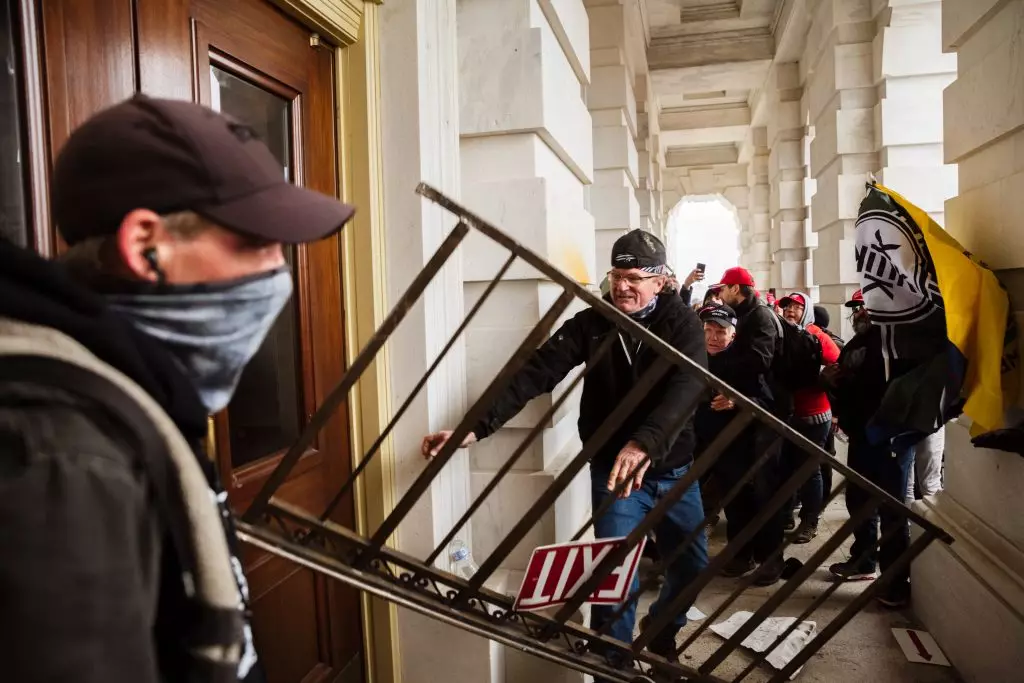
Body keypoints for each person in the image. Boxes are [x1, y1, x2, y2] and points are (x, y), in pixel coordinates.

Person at [0, 95, 354, 682]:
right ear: (145, 245)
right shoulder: (61, 450)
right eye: (254, 242)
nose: (278, 272)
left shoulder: (134, 390)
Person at [422, 230, 709, 664]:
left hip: (673, 469)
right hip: (615, 472)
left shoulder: (682, 323)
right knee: (616, 578)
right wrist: (473, 429)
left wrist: (643, 443)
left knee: (691, 565)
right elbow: (535, 372)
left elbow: (688, 387)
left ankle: (664, 628)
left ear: (660, 281)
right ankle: (612, 669)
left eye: (633, 277)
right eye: (616, 275)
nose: (622, 286)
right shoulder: (592, 322)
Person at [824, 290, 913, 607]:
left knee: (892, 510)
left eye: (866, 306)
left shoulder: (898, 342)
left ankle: (895, 583)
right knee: (858, 500)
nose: (860, 311)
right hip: (862, 435)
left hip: (890, 439)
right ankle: (864, 561)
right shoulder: (858, 342)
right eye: (856, 307)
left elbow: (896, 389)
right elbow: (849, 384)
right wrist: (831, 381)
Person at [695, 304, 784, 584]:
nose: (712, 337)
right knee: (734, 502)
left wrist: (738, 402)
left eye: (720, 332)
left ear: (733, 335)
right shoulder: (696, 359)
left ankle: (771, 560)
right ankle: (740, 555)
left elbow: (770, 403)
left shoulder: (747, 362)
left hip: (754, 444)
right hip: (717, 446)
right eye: (708, 330)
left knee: (763, 501)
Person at [777, 292, 841, 543]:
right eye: (787, 307)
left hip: (814, 415)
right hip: (787, 414)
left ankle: (810, 520)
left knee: (808, 470)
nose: (791, 310)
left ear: (807, 311)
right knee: (786, 467)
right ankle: (788, 515)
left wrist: (819, 382)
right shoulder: (781, 333)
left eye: (796, 306)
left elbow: (838, 365)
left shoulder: (817, 335)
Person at [714, 267, 779, 392]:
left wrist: (720, 361)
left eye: (722, 289)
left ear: (735, 289)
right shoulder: (743, 312)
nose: (720, 295)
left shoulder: (760, 316)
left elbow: (760, 361)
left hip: (759, 398)